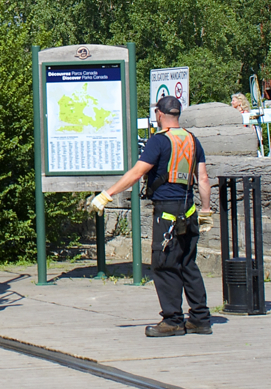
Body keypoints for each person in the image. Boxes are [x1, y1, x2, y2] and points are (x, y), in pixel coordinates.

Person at [89, 95, 212, 336]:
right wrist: (206, 211)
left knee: (164, 264)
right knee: (187, 262)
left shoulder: (159, 141)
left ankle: (173, 321)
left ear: (159, 114)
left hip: (167, 211)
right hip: (189, 209)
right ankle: (200, 318)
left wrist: (107, 194)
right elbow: (204, 178)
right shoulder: (192, 140)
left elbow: (137, 173)